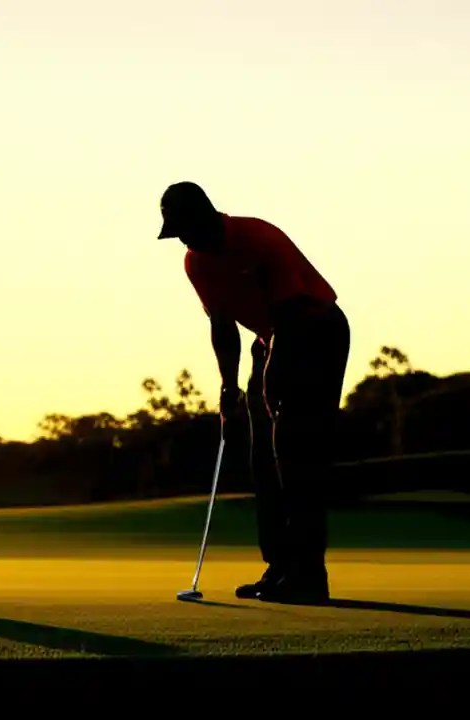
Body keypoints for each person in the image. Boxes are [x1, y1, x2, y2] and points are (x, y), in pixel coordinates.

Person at [157, 181, 349, 604]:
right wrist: (229, 388)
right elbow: (222, 326)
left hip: (317, 331)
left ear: (204, 216)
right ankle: (279, 567)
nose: (183, 239)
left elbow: (291, 311)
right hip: (271, 340)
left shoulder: (256, 236)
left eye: (184, 228)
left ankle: (308, 577)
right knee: (262, 456)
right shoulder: (196, 263)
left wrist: (271, 377)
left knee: (297, 452)